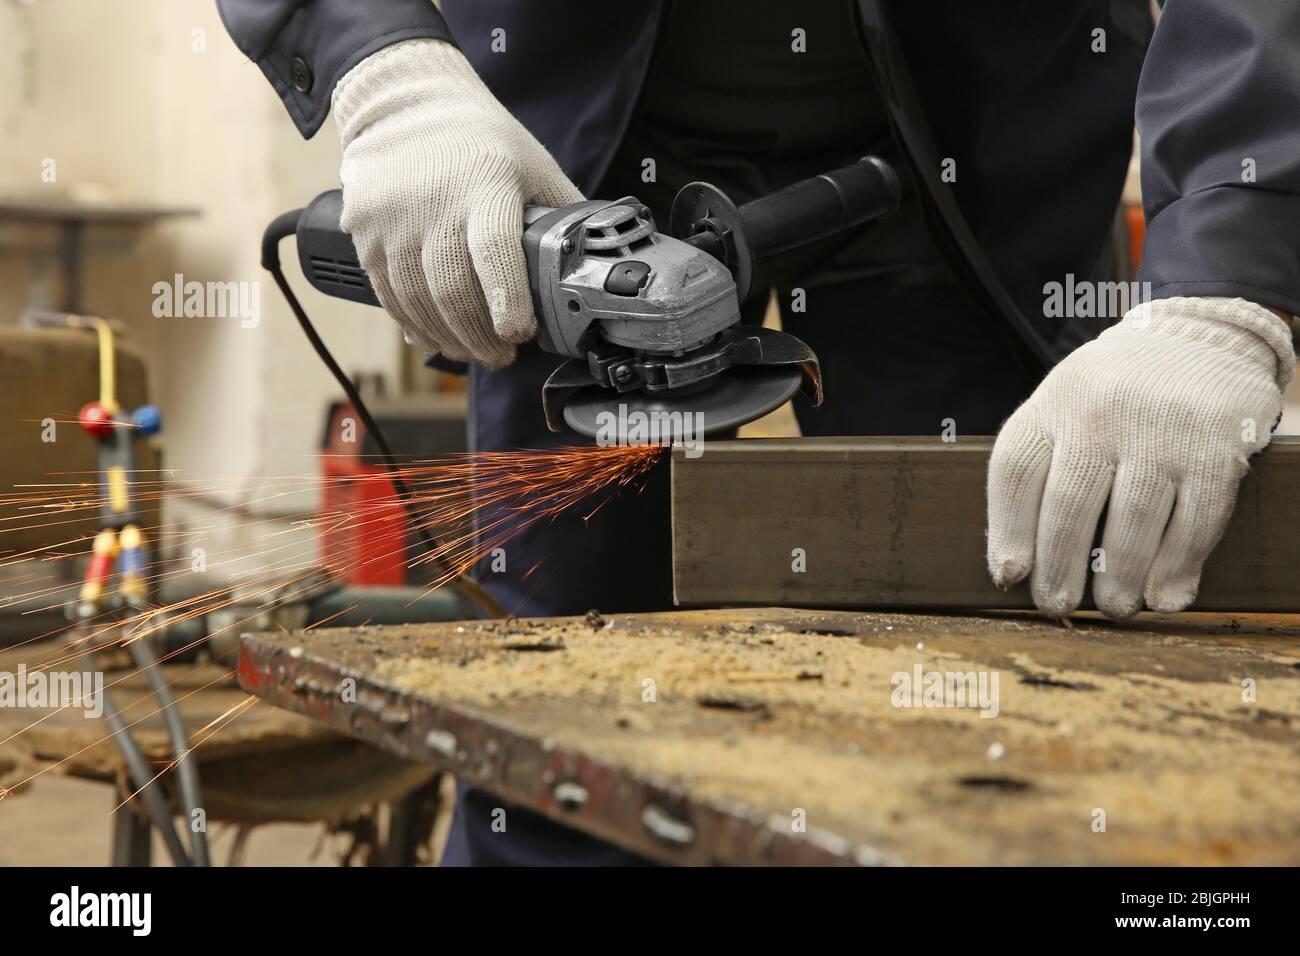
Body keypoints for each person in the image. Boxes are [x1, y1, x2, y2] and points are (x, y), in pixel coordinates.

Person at [216, 0, 1300, 864]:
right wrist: (384, 63)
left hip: (971, 139)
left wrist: (1221, 269)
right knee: (556, 720)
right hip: (574, 154)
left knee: (998, 678)